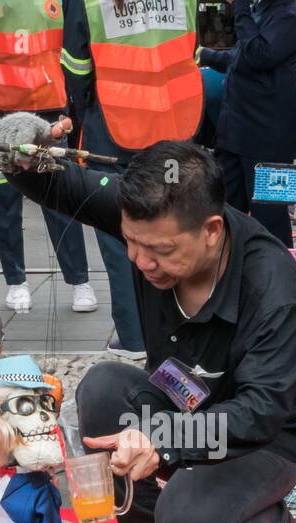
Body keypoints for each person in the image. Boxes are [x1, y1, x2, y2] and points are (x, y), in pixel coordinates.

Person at [11, 137, 296, 523]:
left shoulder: (269, 281)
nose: (140, 261)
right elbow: (66, 186)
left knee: (187, 514)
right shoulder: (152, 215)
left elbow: (261, 411)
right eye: (130, 242)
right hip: (180, 409)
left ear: (211, 231)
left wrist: (164, 438)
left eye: (160, 251)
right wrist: (19, 154)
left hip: (261, 440)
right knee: (102, 388)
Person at [59, 0, 205, 359]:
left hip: (115, 125)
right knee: (177, 225)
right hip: (175, 122)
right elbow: (194, 50)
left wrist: (83, 106)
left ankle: (135, 338)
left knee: (118, 232)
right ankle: (184, 330)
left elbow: (76, 66)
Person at [0, 0, 96, 315]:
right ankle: (16, 282)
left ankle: (79, 281)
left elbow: (75, 50)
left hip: (48, 102)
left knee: (60, 196)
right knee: (3, 198)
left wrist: (74, 110)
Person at [198, 0, 296, 247]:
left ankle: (279, 279)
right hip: (235, 133)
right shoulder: (260, 11)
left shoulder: (291, 14)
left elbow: (259, 55)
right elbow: (240, 58)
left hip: (271, 138)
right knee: (225, 212)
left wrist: (240, 9)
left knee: (271, 221)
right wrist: (204, 55)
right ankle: (232, 276)